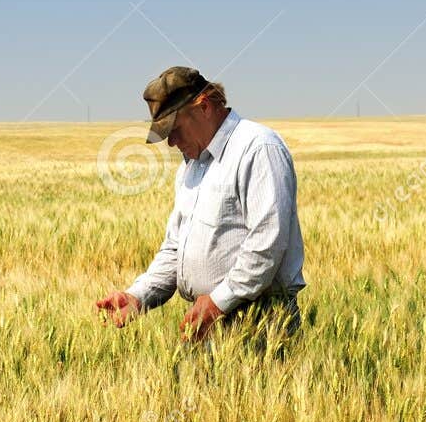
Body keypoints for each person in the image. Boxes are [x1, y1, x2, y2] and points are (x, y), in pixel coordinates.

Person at [95, 66, 305, 344]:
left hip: (260, 324)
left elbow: (267, 243)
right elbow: (175, 247)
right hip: (203, 322)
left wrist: (219, 301)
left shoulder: (257, 148)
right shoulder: (191, 167)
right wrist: (138, 296)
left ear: (203, 107)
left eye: (175, 129)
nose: (171, 142)